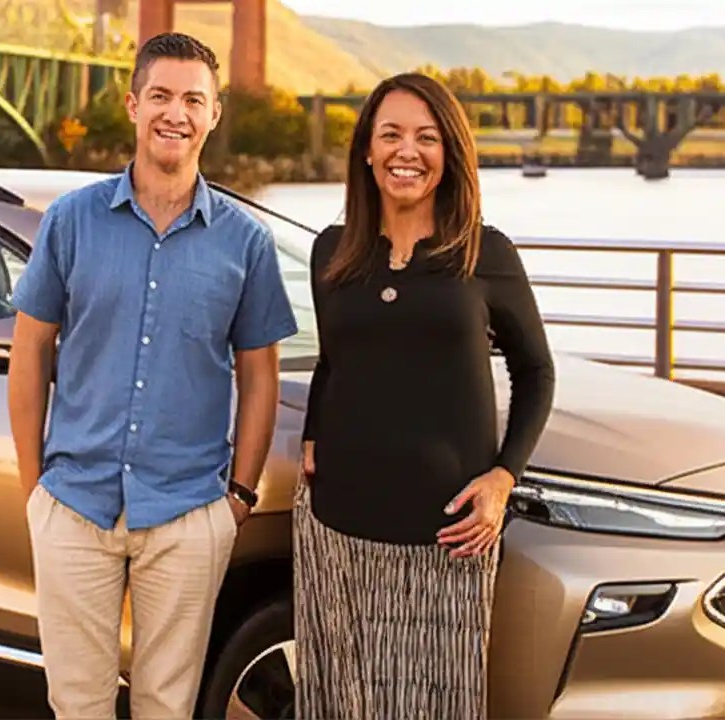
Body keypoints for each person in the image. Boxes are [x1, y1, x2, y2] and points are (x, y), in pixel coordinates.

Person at [7, 32, 298, 720]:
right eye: (161, 95)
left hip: (188, 512)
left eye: (193, 99)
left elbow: (259, 376)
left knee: (168, 707)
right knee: (77, 705)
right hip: (74, 504)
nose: (176, 113)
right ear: (134, 105)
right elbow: (29, 352)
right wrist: (35, 492)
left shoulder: (245, 241)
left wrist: (238, 500)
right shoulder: (72, 221)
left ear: (214, 114)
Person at [293, 72, 556, 720]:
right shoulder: (332, 252)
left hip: (447, 538)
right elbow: (336, 362)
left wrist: (502, 477)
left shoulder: (484, 253)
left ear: (450, 154)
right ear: (366, 150)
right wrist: (310, 433)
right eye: (390, 134)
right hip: (337, 531)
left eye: (425, 137)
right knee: (340, 704)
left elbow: (537, 373)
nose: (406, 151)